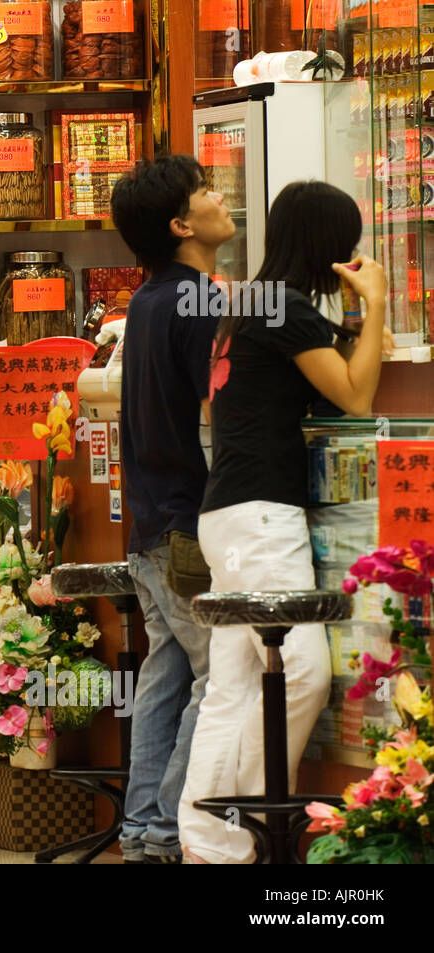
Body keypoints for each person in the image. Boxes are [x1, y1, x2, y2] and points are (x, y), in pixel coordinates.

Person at [181, 181, 388, 864]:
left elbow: (228, 406)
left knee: (235, 681)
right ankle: (243, 832)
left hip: (228, 511)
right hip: (262, 518)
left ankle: (214, 842)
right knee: (299, 671)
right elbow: (357, 398)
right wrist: (378, 304)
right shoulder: (290, 310)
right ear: (328, 246)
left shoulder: (248, 305)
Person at [109, 154, 235, 863]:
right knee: (217, 672)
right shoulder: (201, 300)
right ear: (182, 224)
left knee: (166, 673)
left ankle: (142, 830)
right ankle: (166, 828)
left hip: (149, 519)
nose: (222, 198)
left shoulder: (149, 298)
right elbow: (221, 405)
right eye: (206, 191)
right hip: (189, 524)